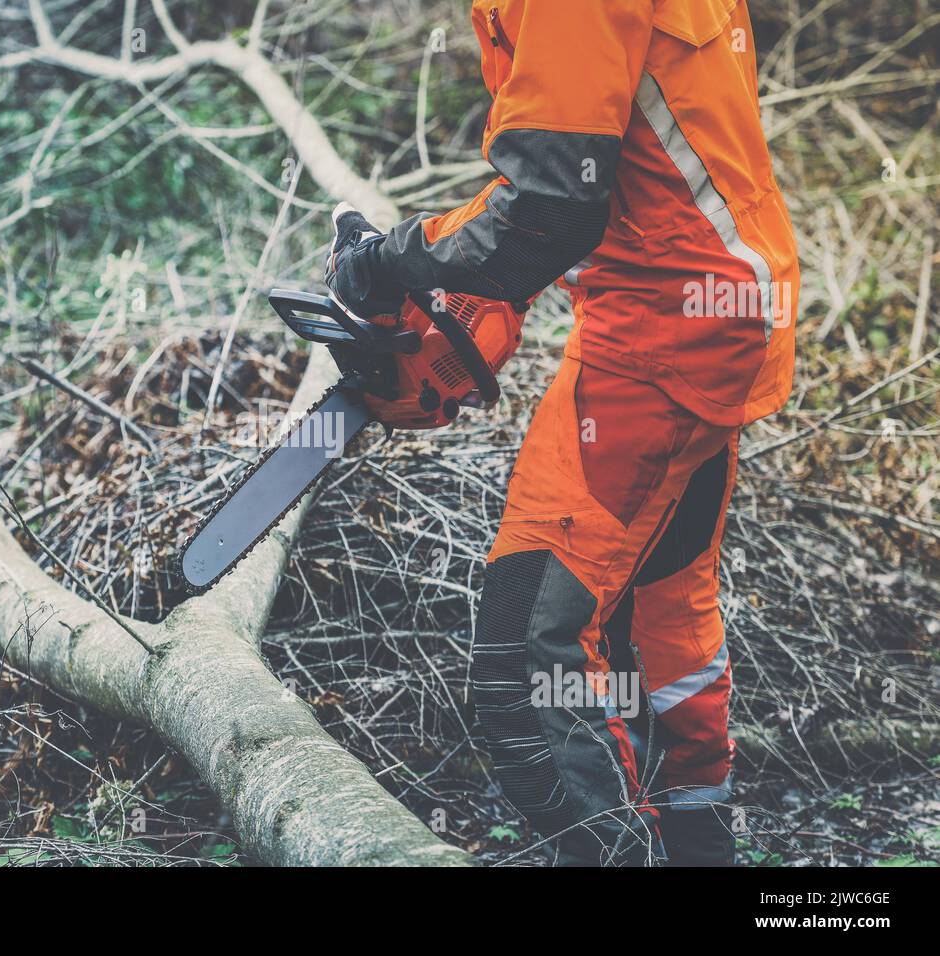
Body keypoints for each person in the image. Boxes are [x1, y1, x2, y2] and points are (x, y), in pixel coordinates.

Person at [325, 0, 798, 865]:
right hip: (708, 303)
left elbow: (549, 208)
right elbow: (604, 168)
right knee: (656, 614)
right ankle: (698, 845)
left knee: (524, 659)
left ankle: (616, 855)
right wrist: (472, 285)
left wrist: (399, 257)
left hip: (663, 336)